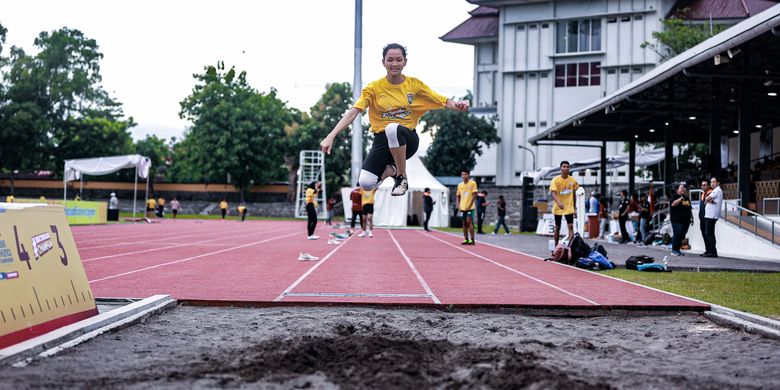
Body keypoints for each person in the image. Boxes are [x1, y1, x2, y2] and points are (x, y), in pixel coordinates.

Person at [319, 43, 470, 197]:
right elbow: (353, 113)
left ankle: (401, 177)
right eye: (390, 60)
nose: (394, 64)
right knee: (366, 183)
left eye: (399, 59)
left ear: (405, 61)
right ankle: (392, 169)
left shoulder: (415, 85)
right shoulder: (373, 88)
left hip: (406, 139)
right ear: (383, 62)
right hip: (382, 142)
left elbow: (443, 101)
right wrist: (331, 136)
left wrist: (459, 105)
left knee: (392, 128)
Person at [549, 161, 579, 247]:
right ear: (561, 168)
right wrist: (559, 203)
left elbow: (574, 194)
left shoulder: (572, 180)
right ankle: (555, 246)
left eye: (567, 167)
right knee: (557, 227)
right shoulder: (555, 180)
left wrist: (574, 208)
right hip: (558, 208)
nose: (566, 168)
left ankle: (571, 247)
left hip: (569, 207)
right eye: (564, 167)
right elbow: (553, 193)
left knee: (570, 226)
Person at [669, 184, 693, 256]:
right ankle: (674, 250)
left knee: (681, 235)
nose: (683, 189)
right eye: (681, 188)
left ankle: (678, 250)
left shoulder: (687, 198)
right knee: (677, 234)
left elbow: (689, 208)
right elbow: (673, 204)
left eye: (684, 188)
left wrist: (692, 218)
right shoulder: (674, 196)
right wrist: (680, 199)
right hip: (677, 220)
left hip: (686, 221)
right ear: (677, 190)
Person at [702, 177, 723, 258]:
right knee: (710, 234)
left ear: (718, 183)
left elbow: (707, 198)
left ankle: (712, 252)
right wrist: (708, 200)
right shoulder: (715, 190)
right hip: (710, 215)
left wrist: (708, 200)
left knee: (708, 233)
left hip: (712, 215)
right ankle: (711, 251)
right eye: (711, 182)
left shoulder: (717, 190)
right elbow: (706, 200)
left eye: (714, 182)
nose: (712, 184)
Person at [457, 170, 478, 245]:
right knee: (464, 223)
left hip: (470, 207)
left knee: (469, 222)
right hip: (463, 207)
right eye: (462, 174)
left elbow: (475, 195)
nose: (463, 176)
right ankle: (466, 239)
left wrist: (469, 205)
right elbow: (458, 196)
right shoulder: (460, 185)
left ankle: (472, 239)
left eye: (465, 174)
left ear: (468, 175)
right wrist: (458, 205)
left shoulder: (472, 183)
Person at [698, 180, 711, 244]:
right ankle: (707, 250)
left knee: (708, 234)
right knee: (703, 233)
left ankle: (710, 251)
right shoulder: (703, 194)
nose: (702, 186)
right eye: (702, 185)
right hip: (702, 217)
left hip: (707, 217)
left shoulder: (711, 193)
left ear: (709, 186)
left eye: (704, 185)